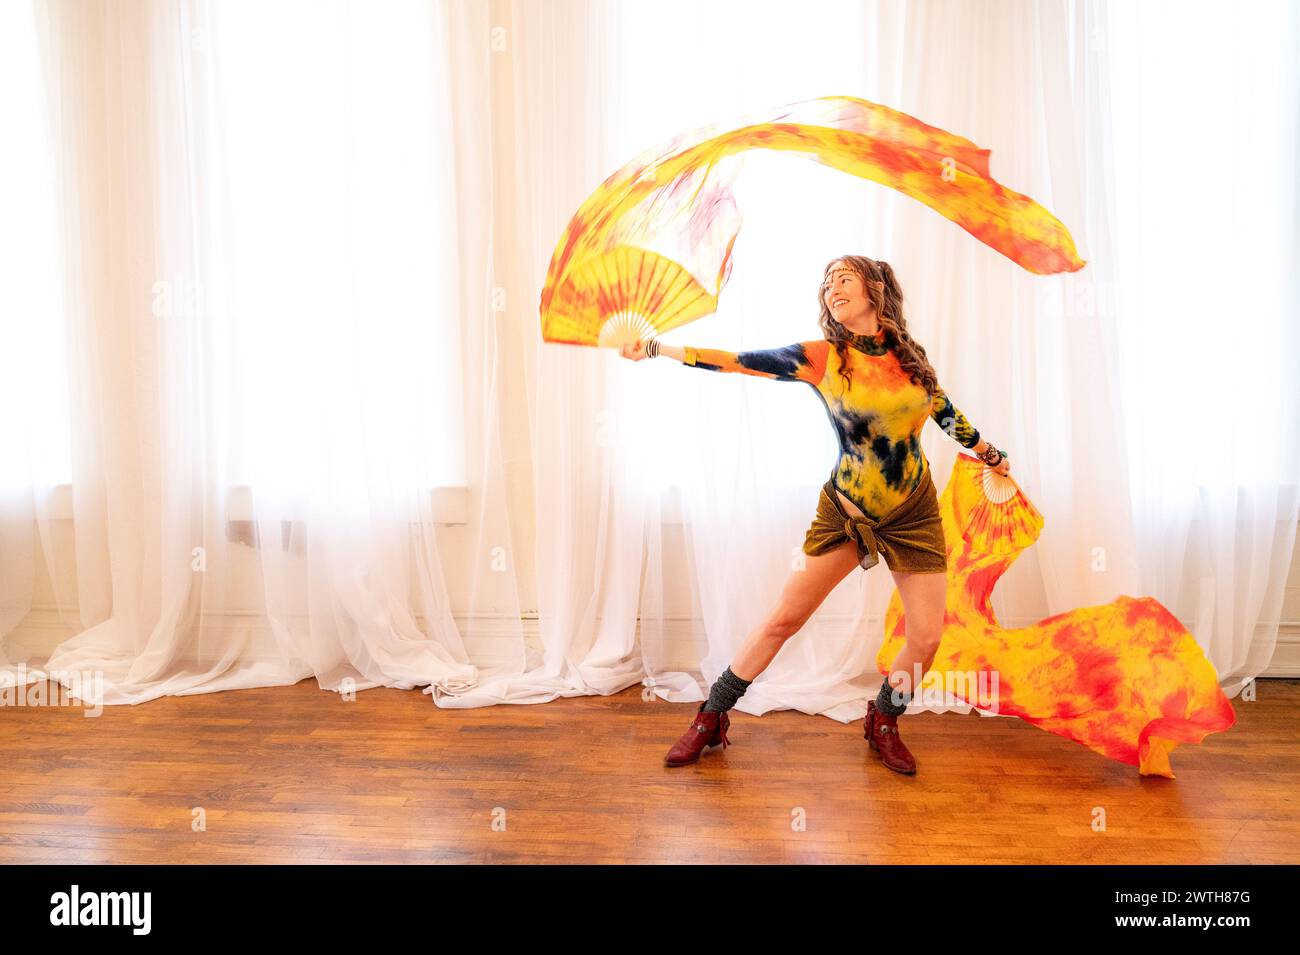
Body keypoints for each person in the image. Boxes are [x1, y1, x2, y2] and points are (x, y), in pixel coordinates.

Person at [619, 254, 1011, 775]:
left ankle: (884, 720)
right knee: (784, 619)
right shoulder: (823, 357)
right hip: (845, 514)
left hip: (913, 513)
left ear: (874, 288)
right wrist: (657, 348)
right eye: (826, 283)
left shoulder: (908, 358)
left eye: (842, 278)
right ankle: (710, 718)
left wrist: (990, 452)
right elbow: (738, 359)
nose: (831, 288)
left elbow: (945, 414)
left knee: (926, 636)